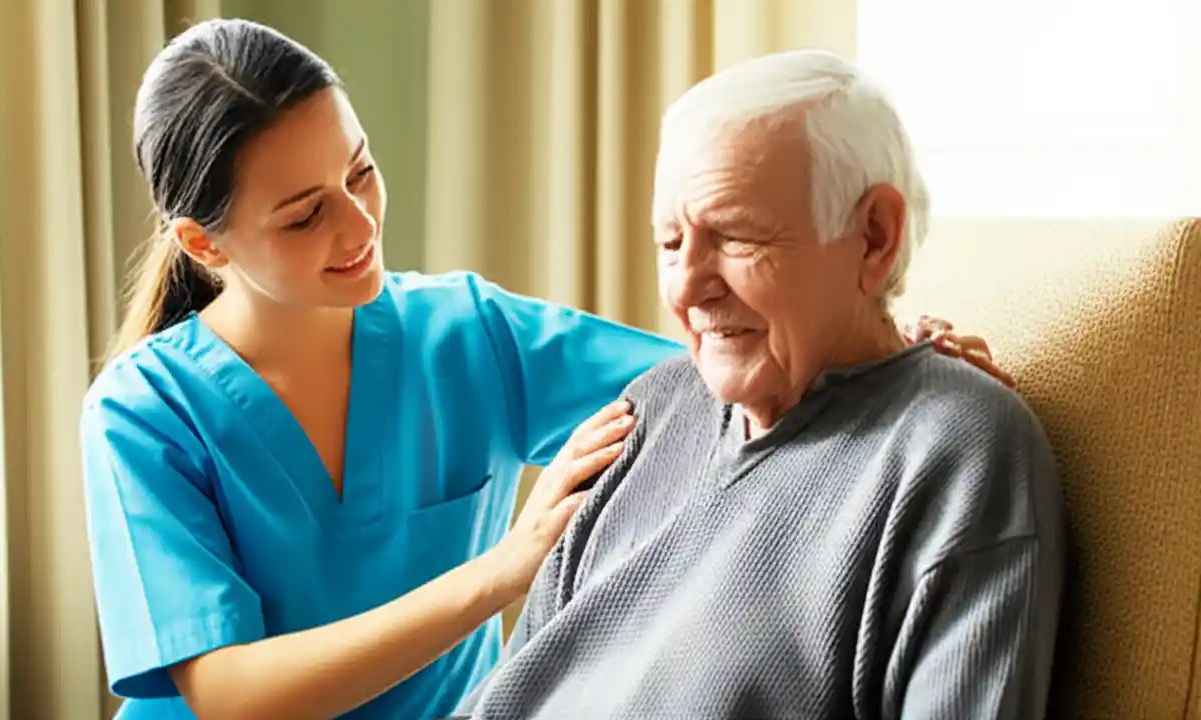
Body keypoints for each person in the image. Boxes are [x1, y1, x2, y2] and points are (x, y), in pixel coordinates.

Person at [80, 19, 1012, 720]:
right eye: (304, 214)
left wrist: (889, 344)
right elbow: (228, 691)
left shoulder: (464, 334)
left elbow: (727, 375)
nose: (360, 228)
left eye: (360, 173)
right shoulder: (142, 413)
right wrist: (500, 574)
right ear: (205, 242)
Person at [455, 50, 1065, 720]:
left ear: (873, 238)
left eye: (737, 237)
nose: (686, 287)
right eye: (668, 243)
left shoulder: (956, 451)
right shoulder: (650, 409)